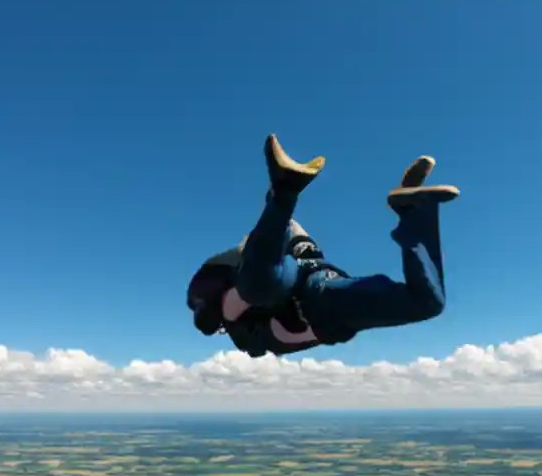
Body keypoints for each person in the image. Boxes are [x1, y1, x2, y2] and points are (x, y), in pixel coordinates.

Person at [186, 135, 459, 358]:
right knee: (429, 303)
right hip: (327, 300)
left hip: (305, 281)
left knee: (261, 286)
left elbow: (251, 279)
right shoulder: (245, 328)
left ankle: (284, 192)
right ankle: (413, 210)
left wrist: (275, 223)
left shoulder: (235, 316)